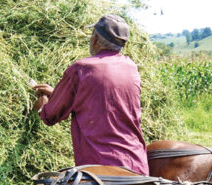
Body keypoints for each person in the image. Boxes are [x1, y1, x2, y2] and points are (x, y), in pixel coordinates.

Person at [32, 15, 149, 175]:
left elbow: (50, 116)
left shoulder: (81, 69)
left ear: (94, 39)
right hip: (137, 166)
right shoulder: (131, 67)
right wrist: (58, 93)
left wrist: (43, 104)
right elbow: (106, 99)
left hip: (99, 169)